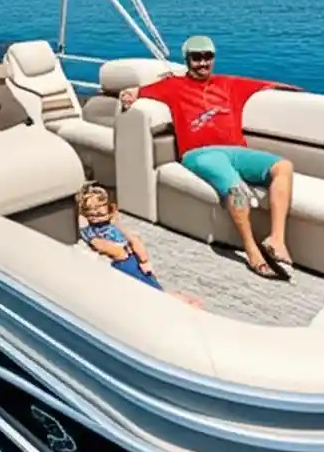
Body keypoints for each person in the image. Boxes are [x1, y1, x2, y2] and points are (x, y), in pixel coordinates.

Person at [120, 36, 298, 281]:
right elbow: (137, 91)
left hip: (237, 151)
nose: (202, 63)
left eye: (207, 57)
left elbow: (268, 85)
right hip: (200, 153)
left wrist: (290, 89)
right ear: (187, 60)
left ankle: (276, 239)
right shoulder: (172, 86)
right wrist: (129, 93)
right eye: (196, 57)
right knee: (236, 189)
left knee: (283, 166)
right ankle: (251, 249)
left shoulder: (230, 83)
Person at [76, 185, 203, 308]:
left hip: (130, 257)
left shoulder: (113, 224)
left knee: (151, 285)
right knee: (150, 290)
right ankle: (179, 300)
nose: (96, 218)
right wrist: (120, 252)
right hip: (121, 260)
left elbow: (131, 238)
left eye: (100, 214)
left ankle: (178, 299)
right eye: (91, 215)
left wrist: (143, 259)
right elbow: (98, 243)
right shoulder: (90, 232)